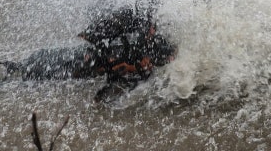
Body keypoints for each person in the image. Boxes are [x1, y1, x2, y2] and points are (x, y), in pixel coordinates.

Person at [15, 5, 176, 101]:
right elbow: (89, 34)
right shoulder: (130, 21)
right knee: (47, 67)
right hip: (91, 58)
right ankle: (21, 69)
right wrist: (106, 56)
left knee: (64, 66)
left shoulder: (152, 42)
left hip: (97, 60)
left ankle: (23, 68)